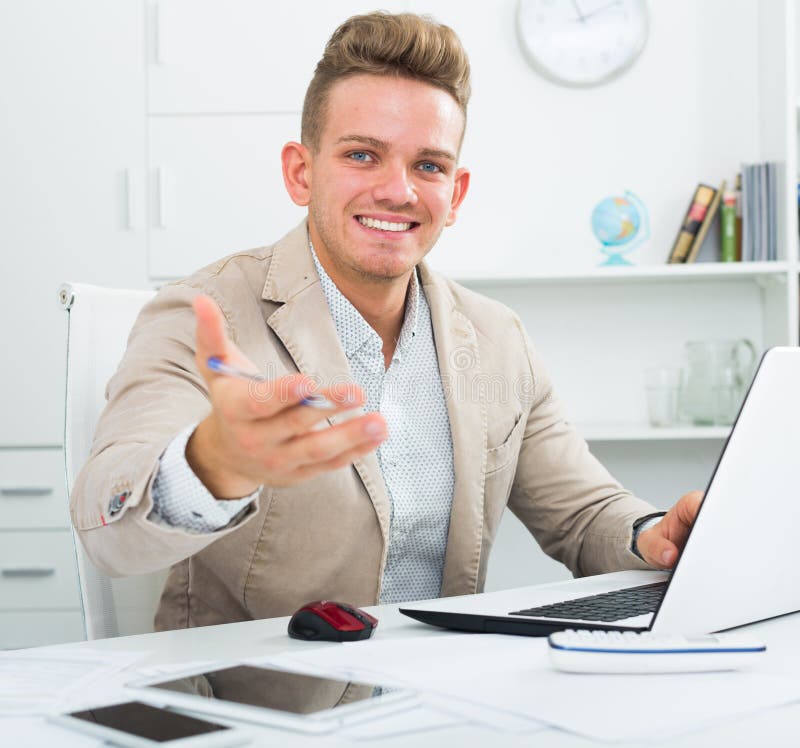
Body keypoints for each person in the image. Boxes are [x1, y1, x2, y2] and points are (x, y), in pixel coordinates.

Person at [72, 12, 701, 636]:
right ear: (301, 171)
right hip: (261, 715)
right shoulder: (203, 313)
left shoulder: (499, 339)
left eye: (428, 165)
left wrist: (656, 535)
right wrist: (214, 463)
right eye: (362, 155)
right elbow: (108, 529)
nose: (397, 190)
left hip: (439, 706)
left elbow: (585, 516)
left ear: (454, 194)